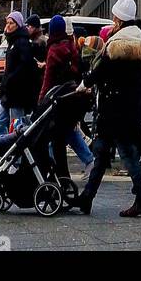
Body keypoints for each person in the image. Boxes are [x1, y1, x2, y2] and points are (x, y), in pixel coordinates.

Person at [76, 0, 141, 219]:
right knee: (104, 153)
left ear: (119, 20)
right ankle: (87, 198)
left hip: (112, 109)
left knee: (124, 155)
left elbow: (100, 71)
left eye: (114, 17)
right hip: (131, 108)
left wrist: (84, 84)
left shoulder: (116, 43)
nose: (113, 21)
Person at [40, 14, 94, 174]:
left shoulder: (54, 50)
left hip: (58, 99)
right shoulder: (71, 47)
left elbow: (48, 79)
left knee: (55, 138)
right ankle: (88, 160)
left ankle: (59, 173)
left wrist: (41, 100)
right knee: (68, 132)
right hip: (72, 97)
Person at [0, 11, 41, 140]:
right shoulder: (12, 41)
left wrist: (11, 79)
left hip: (17, 94)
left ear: (18, 25)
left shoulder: (22, 42)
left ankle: (18, 156)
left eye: (11, 23)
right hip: (8, 93)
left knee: (17, 126)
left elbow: (24, 66)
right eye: (7, 23)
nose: (8, 26)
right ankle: (5, 148)